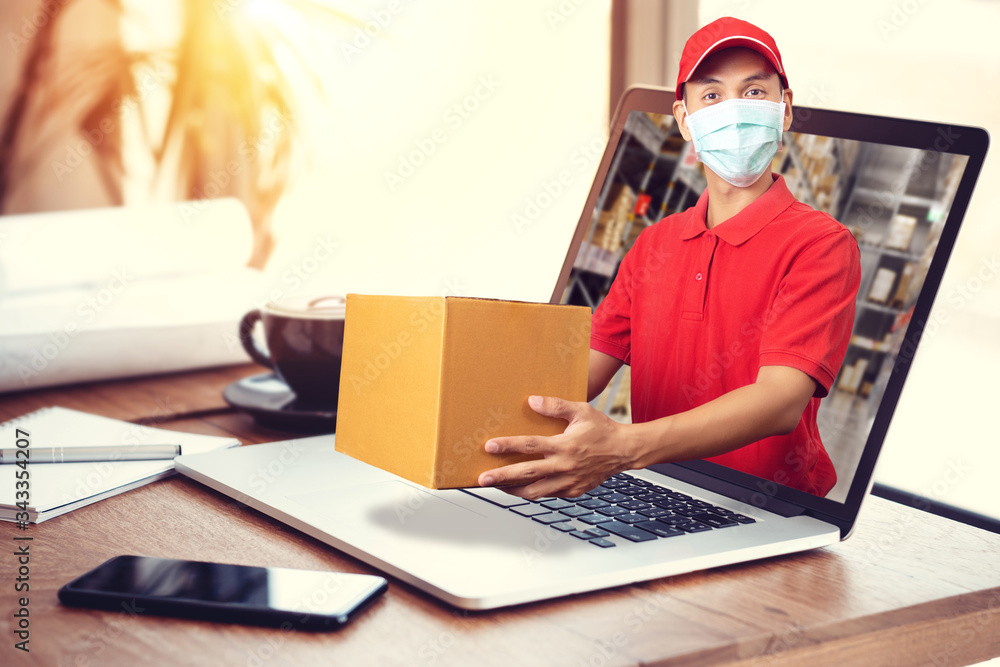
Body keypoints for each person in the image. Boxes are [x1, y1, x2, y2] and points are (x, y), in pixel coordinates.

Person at [477, 17, 861, 499]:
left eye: (755, 93)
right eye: (713, 96)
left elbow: (780, 401)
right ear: (685, 121)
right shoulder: (654, 244)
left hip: (767, 506)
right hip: (655, 490)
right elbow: (581, 375)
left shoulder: (821, 243)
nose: (736, 110)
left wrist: (620, 446)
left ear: (785, 111)